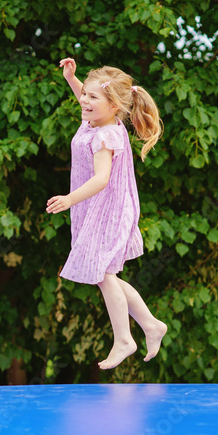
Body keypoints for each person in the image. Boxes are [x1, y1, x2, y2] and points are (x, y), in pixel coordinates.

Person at [46, 59, 168, 370]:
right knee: (105, 276)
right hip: (95, 209)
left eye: (91, 97)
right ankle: (151, 326)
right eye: (83, 95)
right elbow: (90, 102)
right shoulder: (97, 120)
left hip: (108, 209)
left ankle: (125, 339)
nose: (83, 101)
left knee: (103, 275)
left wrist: (68, 199)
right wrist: (72, 79)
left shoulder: (106, 136)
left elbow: (101, 179)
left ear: (113, 106)